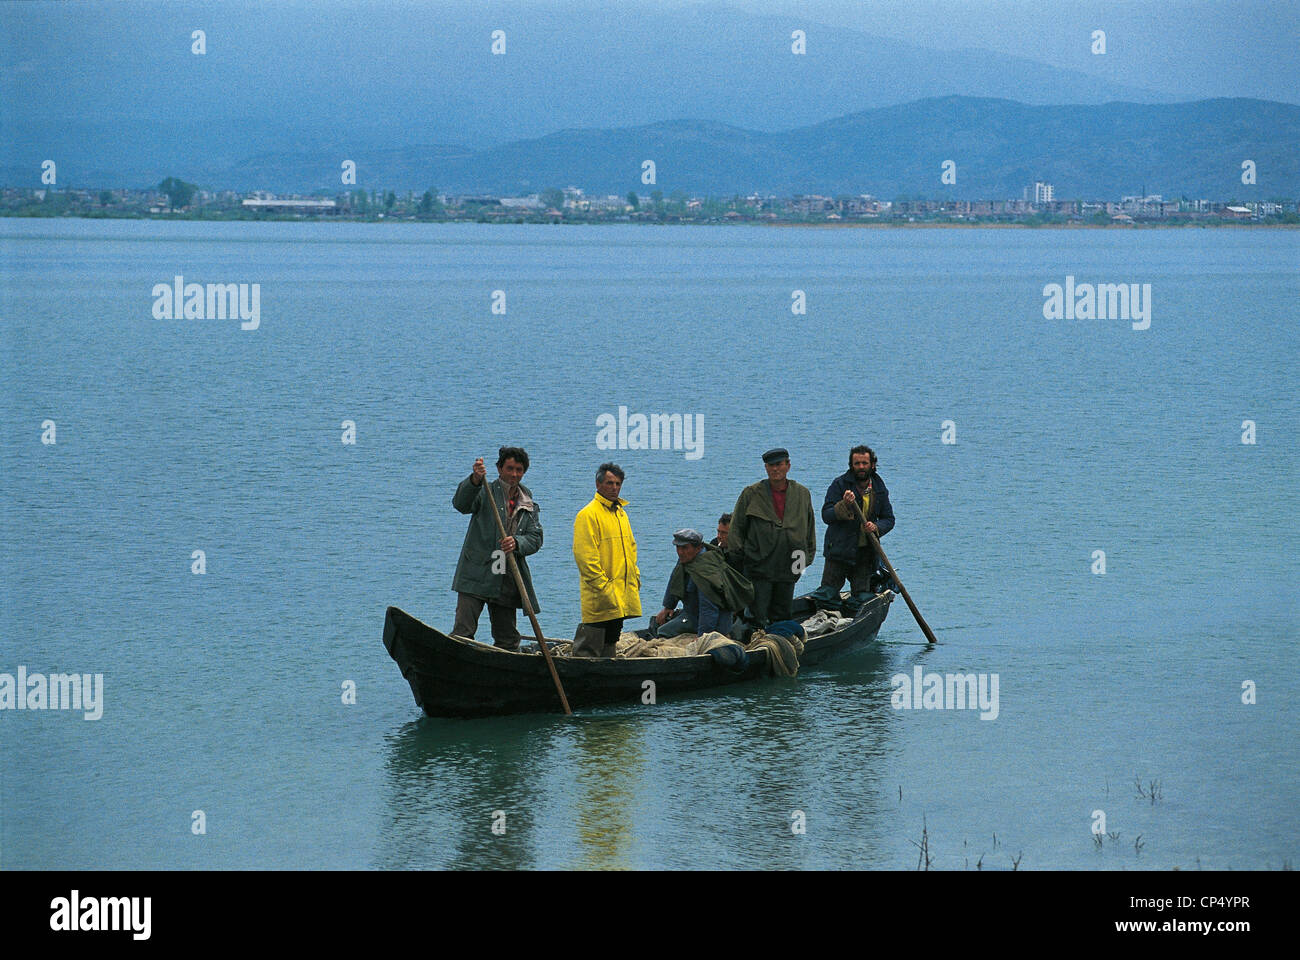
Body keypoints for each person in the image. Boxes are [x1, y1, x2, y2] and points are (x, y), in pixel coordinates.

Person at [450, 447, 543, 651]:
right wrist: (474, 480)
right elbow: (461, 504)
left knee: (507, 640)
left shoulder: (527, 502)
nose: (514, 474)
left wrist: (517, 543)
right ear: (499, 469)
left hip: (506, 573)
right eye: (509, 468)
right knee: (462, 634)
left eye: (519, 470)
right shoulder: (485, 491)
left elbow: (535, 538)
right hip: (477, 571)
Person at [727, 448, 817, 626]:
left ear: (788, 466)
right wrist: (744, 558)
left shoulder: (802, 493)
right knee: (756, 616)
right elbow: (736, 529)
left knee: (783, 614)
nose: (775, 469)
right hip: (759, 565)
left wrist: (805, 559)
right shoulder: (751, 493)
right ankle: (758, 644)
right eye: (771, 466)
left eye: (779, 464)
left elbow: (809, 529)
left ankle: (780, 645)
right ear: (766, 468)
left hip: (790, 563)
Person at [572, 462, 642, 657]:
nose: (614, 488)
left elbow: (631, 549)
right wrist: (604, 588)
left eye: (618, 484)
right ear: (598, 484)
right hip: (599, 596)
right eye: (610, 483)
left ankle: (605, 684)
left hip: (620, 594)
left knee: (610, 643)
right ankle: (582, 684)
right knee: (588, 648)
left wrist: (635, 578)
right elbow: (586, 559)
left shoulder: (621, 514)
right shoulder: (588, 515)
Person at [819, 445, 895, 603]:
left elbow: (889, 519)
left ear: (872, 465)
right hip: (839, 551)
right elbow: (826, 515)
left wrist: (876, 527)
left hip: (865, 554)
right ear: (851, 465)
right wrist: (843, 505)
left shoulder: (879, 488)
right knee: (827, 595)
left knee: (861, 598)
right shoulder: (840, 485)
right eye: (857, 463)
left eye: (865, 463)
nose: (861, 467)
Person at [652, 528, 754, 638]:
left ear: (698, 548)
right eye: (678, 547)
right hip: (692, 613)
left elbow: (709, 610)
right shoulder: (687, 559)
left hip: (712, 623)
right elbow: (675, 578)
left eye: (685, 548)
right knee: (655, 622)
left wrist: (702, 637)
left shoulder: (705, 572)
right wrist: (668, 606)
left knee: (662, 632)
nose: (680, 552)